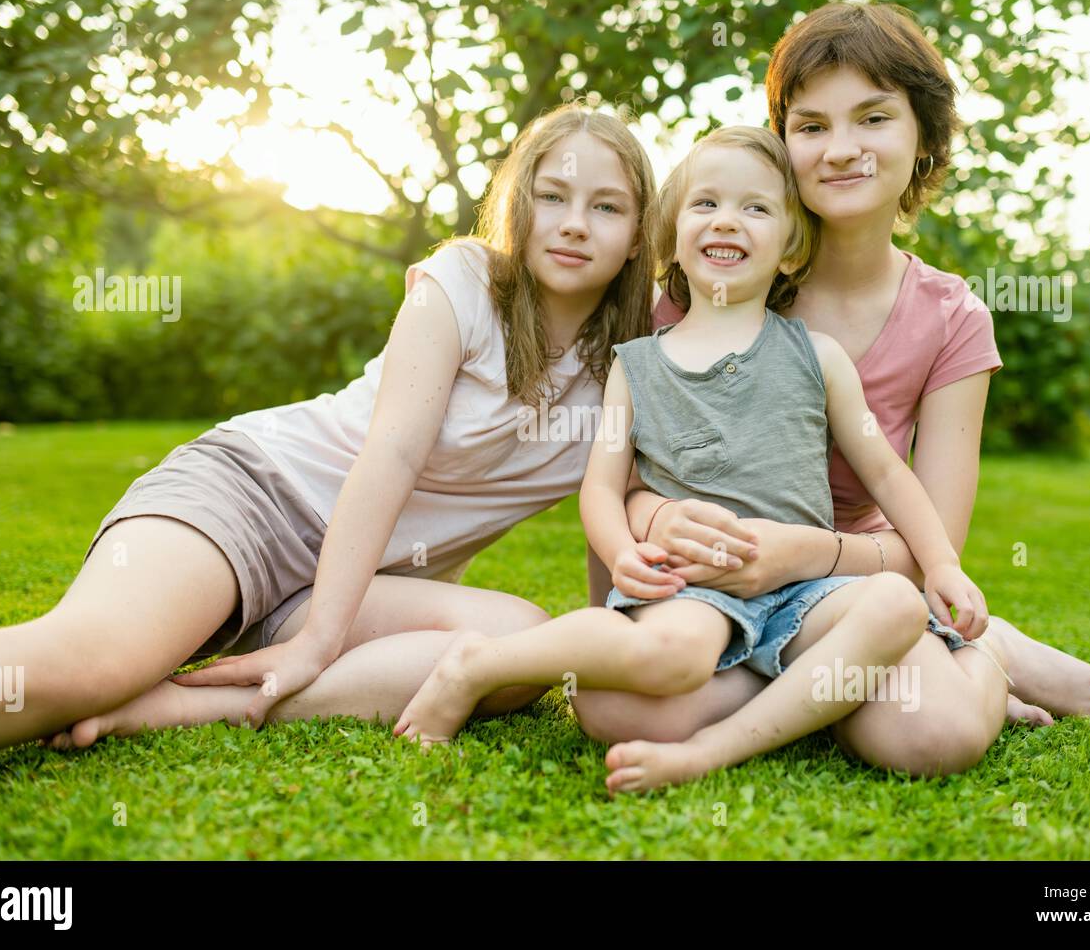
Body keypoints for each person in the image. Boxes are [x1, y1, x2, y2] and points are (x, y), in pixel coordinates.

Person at [0, 103, 657, 771]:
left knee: (517, 646)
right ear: (517, 205)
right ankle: (163, 676)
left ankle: (182, 706)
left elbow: (611, 509)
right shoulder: (461, 282)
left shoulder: (636, 367)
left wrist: (608, 644)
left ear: (638, 239)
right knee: (89, 665)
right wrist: (320, 640)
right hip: (255, 498)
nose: (573, 223)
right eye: (552, 196)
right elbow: (390, 455)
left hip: (369, 585)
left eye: (606, 207)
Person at [571, 4, 1090, 780]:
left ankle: (983, 654)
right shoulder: (713, 280)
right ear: (781, 142)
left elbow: (929, 538)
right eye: (811, 126)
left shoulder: (951, 319)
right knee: (614, 708)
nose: (841, 150)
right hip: (708, 592)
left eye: (873, 118)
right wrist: (662, 517)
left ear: (924, 138)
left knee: (929, 739)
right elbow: (623, 480)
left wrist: (802, 553)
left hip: (855, 586)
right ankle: (820, 691)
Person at [393, 127, 1011, 797]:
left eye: (755, 208)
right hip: (691, 585)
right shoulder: (638, 363)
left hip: (808, 591)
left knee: (892, 603)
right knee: (676, 654)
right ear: (672, 235)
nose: (727, 220)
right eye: (706, 203)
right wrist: (622, 550)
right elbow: (601, 489)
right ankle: (477, 664)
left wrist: (942, 563)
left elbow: (890, 474)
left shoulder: (818, 356)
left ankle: (711, 750)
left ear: (791, 242)